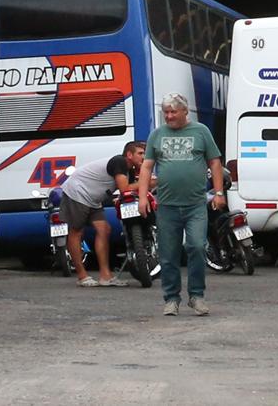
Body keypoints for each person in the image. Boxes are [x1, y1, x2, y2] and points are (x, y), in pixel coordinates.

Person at [138, 93, 225, 317]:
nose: (168, 116)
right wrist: (143, 196)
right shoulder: (157, 134)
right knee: (168, 254)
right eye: (166, 112)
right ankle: (171, 298)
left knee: (196, 246)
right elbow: (147, 167)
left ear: (185, 111)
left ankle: (196, 296)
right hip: (167, 205)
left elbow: (214, 162)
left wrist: (218, 192)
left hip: (195, 204)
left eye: (173, 112)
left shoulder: (201, 131)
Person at [60, 141, 145, 287]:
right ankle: (82, 276)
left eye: (145, 154)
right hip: (78, 192)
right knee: (76, 231)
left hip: (94, 200)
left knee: (104, 229)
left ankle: (105, 276)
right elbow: (125, 188)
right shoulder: (119, 161)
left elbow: (129, 190)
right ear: (129, 155)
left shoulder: (129, 170)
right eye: (140, 153)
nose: (144, 157)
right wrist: (147, 182)